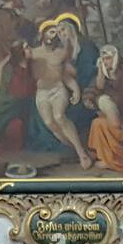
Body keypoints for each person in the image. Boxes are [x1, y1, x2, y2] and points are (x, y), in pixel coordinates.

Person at [28, 21, 93, 169]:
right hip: (42, 92)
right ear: (42, 34)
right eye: (51, 32)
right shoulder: (33, 52)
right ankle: (80, 150)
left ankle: (81, 153)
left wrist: (75, 89)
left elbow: (65, 75)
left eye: (57, 33)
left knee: (59, 116)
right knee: (50, 123)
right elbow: (15, 60)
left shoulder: (62, 53)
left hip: (58, 89)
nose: (55, 35)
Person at [84, 45, 123, 172]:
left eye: (108, 58)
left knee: (107, 120)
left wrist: (107, 100)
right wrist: (89, 98)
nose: (105, 62)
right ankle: (107, 159)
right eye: (103, 59)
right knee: (97, 123)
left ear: (115, 57)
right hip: (119, 115)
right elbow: (95, 87)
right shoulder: (106, 74)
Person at [0, 40, 35, 154]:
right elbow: (15, 92)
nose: (30, 50)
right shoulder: (11, 69)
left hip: (19, 101)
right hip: (7, 103)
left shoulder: (28, 66)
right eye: (27, 47)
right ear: (21, 52)